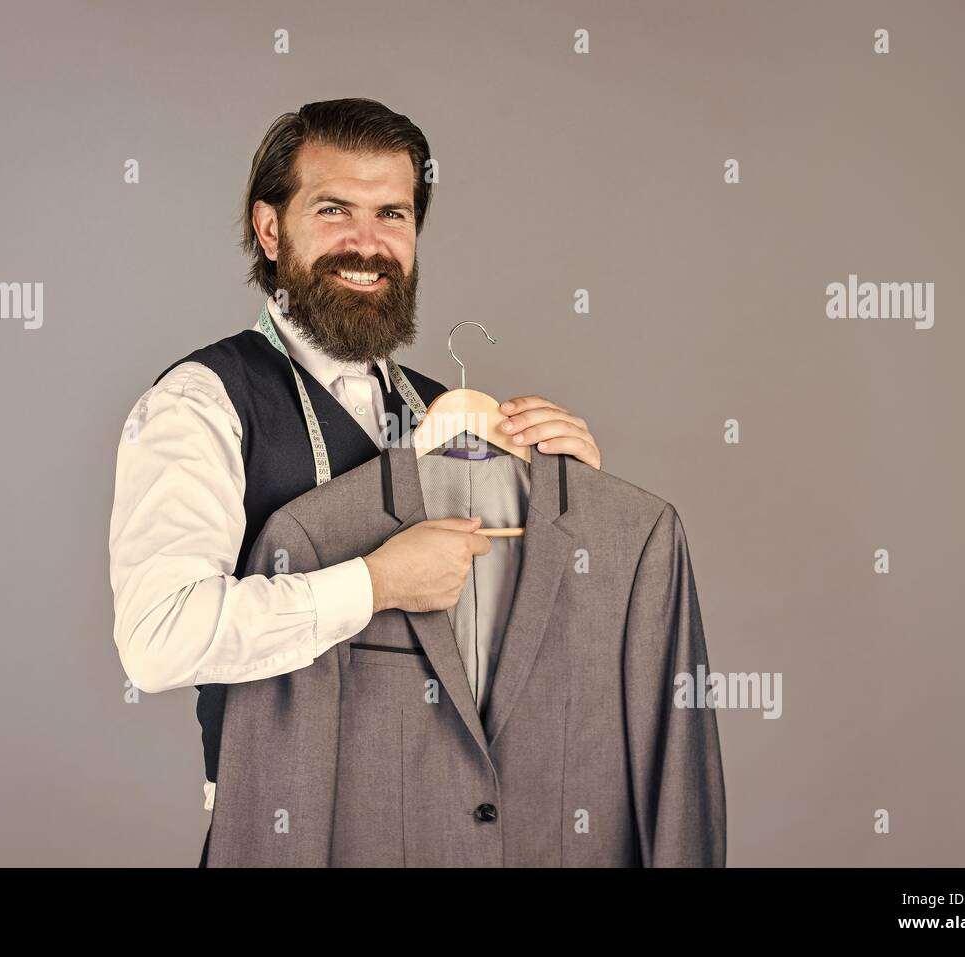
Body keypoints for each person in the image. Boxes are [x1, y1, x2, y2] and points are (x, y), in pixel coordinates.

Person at [107, 98, 602, 860]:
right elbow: (157, 637)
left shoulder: (450, 415)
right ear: (271, 229)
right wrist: (373, 583)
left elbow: (527, 655)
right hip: (287, 824)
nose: (367, 244)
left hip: (455, 828)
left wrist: (574, 513)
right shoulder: (201, 403)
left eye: (392, 215)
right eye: (334, 209)